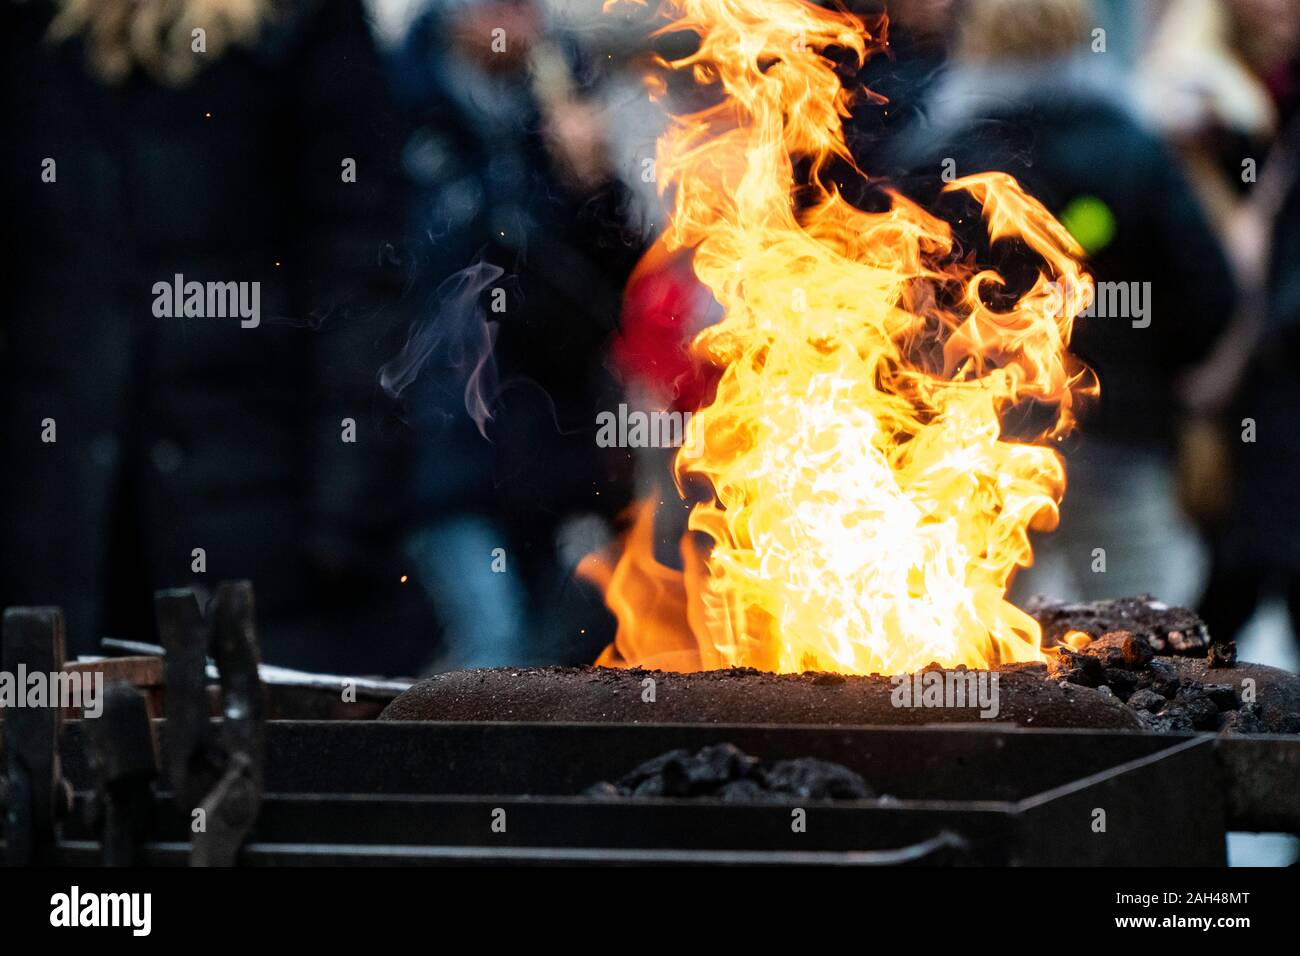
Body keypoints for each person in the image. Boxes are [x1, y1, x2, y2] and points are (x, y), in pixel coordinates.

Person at [0, 0, 434, 673]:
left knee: (254, 757)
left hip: (267, 522)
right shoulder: (34, 39)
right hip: (66, 525)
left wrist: (348, 516)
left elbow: (358, 275)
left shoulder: (303, 30)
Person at [885, 0, 1237, 606]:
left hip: (980, 449)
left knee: (972, 630)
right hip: (1120, 441)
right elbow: (1210, 295)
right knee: (1152, 630)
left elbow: (899, 310)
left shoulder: (939, 161)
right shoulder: (1135, 151)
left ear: (975, 41)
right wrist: (1159, 382)